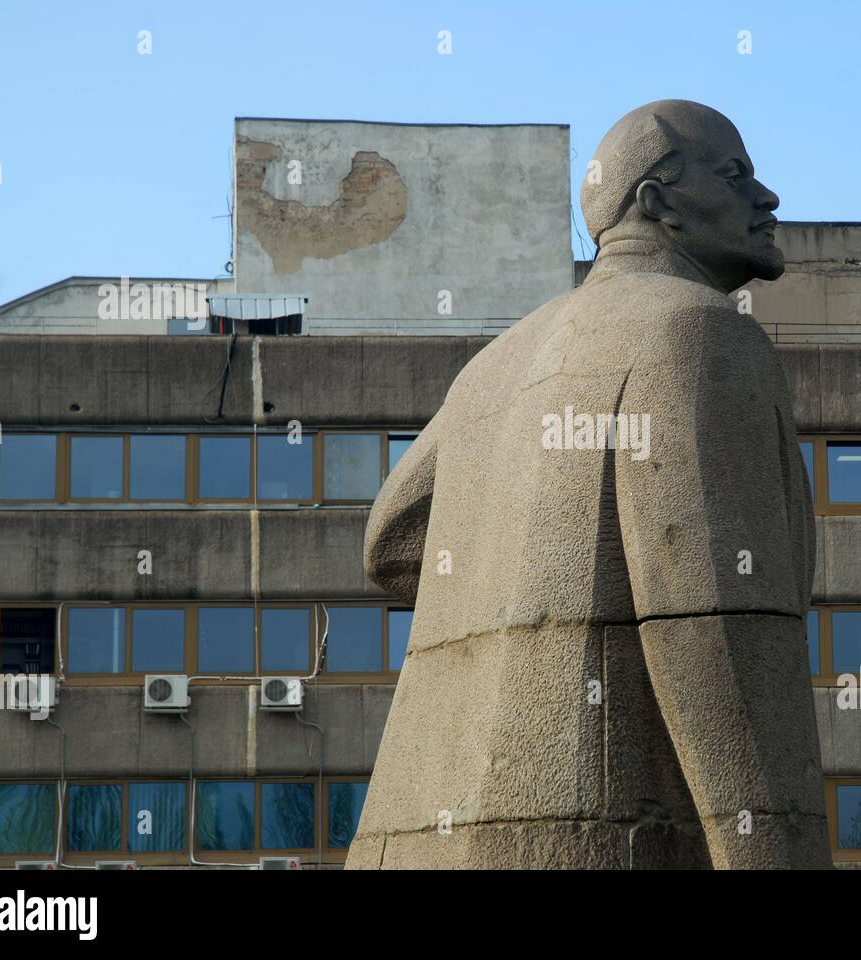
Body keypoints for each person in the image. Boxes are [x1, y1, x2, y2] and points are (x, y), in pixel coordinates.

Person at [347, 100, 828, 869]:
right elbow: (711, 622)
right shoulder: (700, 333)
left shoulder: (494, 365)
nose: (765, 197)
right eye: (734, 175)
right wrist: (770, 848)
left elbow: (391, 542)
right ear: (656, 200)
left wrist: (533, 562)